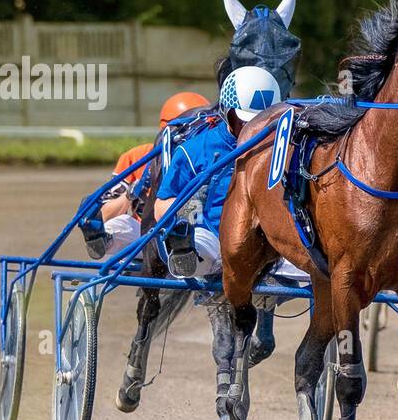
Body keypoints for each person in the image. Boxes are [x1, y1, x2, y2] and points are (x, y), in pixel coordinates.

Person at [156, 67, 282, 279]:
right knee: (198, 243)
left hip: (266, 241)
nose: (254, 128)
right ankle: (187, 253)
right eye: (246, 120)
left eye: (263, 121)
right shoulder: (193, 150)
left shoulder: (282, 150)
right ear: (226, 110)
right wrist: (188, 210)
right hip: (211, 239)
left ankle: (274, 273)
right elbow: (162, 205)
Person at [83, 92, 209, 259]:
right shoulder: (138, 157)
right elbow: (104, 215)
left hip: (194, 238)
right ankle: (102, 240)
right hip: (145, 239)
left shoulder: (211, 158)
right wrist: (130, 194)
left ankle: (182, 251)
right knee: (117, 225)